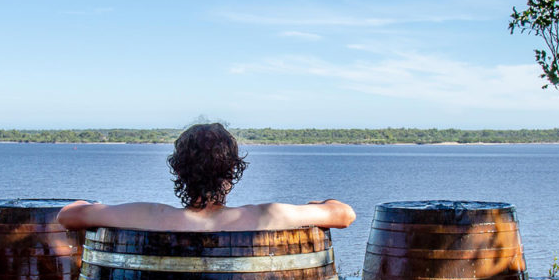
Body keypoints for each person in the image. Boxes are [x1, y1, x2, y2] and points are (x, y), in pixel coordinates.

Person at [58, 122, 355, 232]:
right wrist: (317, 204)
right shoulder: (266, 216)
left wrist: (91, 204)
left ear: (179, 170)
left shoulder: (150, 216)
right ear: (232, 170)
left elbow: (68, 216)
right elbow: (344, 214)